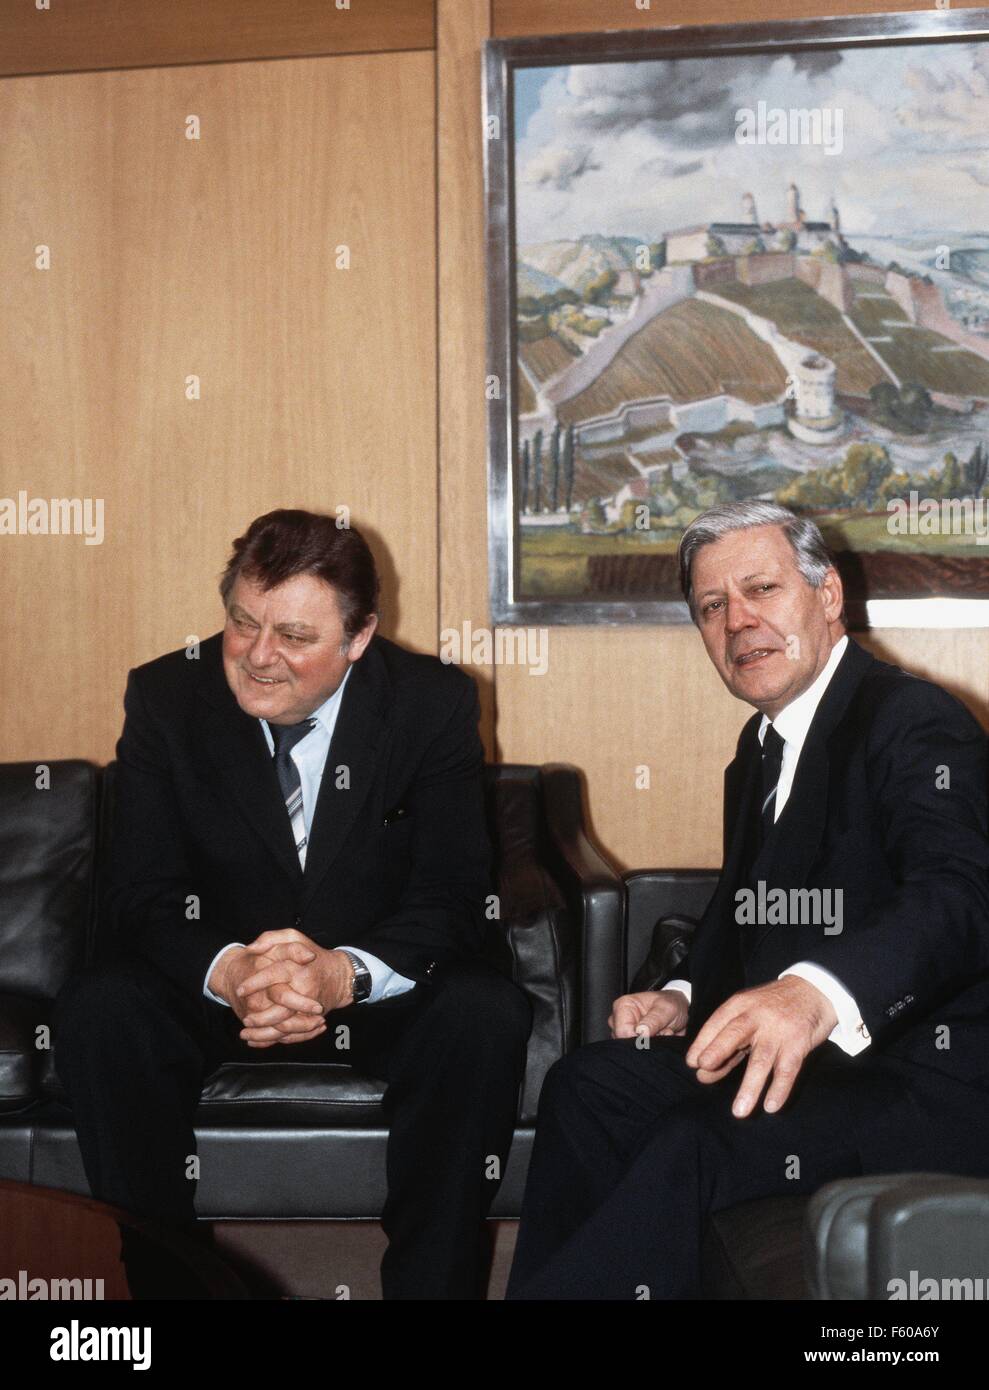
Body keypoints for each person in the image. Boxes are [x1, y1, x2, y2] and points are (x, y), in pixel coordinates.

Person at [507, 499, 989, 1300]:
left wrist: (814, 994)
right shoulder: (760, 747)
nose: (737, 623)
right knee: (585, 1088)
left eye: (760, 590)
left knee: (690, 1142)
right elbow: (745, 906)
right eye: (711, 607)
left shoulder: (913, 721)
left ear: (827, 595)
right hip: (814, 1066)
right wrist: (683, 994)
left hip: (922, 1078)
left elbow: (961, 896)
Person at [54, 508, 531, 1300]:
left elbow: (451, 893)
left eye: (295, 637)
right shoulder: (167, 695)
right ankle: (168, 1288)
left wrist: (342, 975)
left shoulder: (432, 703)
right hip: (216, 983)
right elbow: (140, 892)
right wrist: (234, 969)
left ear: (359, 636)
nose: (258, 657)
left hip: (370, 982)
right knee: (101, 1010)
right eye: (242, 623)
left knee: (482, 1014)